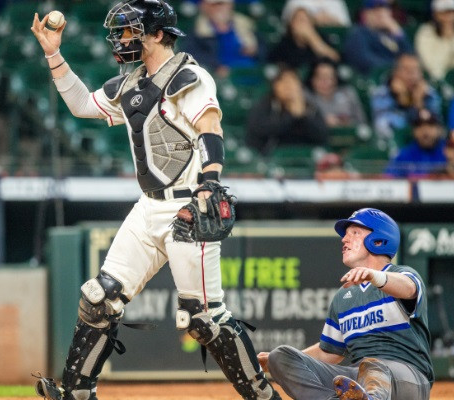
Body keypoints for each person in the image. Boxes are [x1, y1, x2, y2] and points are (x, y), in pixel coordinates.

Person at [30, 2, 278, 399]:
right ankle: (76, 394)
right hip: (147, 206)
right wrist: (53, 54)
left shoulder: (188, 76)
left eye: (130, 31)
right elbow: (81, 105)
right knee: (100, 299)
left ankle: (264, 396)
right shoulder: (130, 83)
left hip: (188, 206)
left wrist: (210, 182)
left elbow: (210, 126)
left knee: (204, 319)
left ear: (158, 34)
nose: (121, 39)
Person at [258, 208, 434, 399]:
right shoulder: (343, 296)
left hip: (408, 378)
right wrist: (277, 361)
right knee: (281, 355)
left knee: (372, 366)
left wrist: (374, 276)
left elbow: (409, 288)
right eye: (345, 234)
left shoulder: (401, 275)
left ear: (378, 241)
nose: (344, 239)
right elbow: (328, 353)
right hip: (359, 376)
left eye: (355, 233)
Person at [245, 66, 328, 156]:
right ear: (275, 86)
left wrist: (304, 116)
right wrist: (291, 116)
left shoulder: (311, 108)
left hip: (306, 156)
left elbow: (322, 136)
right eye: (283, 81)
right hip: (271, 157)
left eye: (292, 81)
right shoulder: (264, 106)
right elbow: (259, 131)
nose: (288, 86)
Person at [371, 53, 442, 140]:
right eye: (406, 70)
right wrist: (404, 101)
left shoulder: (428, 92)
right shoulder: (382, 93)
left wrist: (419, 104)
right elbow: (384, 129)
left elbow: (437, 127)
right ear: (395, 73)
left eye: (415, 70)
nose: (412, 75)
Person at [183, 0, 260, 77]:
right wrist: (216, 66)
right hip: (218, 75)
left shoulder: (245, 24)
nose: (220, 8)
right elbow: (191, 54)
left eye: (223, 4)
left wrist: (254, 50)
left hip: (249, 71)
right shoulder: (197, 30)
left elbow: (263, 50)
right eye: (215, 5)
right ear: (205, 7)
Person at [414, 0, 454, 81]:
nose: (449, 18)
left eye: (453, 13)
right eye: (445, 13)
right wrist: (446, 39)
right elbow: (433, 68)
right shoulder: (425, 33)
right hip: (437, 82)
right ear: (435, 14)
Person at [343, 0, 412, 75]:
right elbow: (365, 61)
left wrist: (399, 34)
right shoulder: (358, 33)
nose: (381, 13)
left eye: (384, 9)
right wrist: (398, 68)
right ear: (365, 14)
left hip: (399, 76)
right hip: (374, 78)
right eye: (375, 11)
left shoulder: (394, 35)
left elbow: (411, 58)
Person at [268, 5, 340, 69]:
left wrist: (312, 38)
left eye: (304, 20)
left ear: (312, 24)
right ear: (291, 24)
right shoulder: (284, 44)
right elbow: (275, 63)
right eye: (298, 20)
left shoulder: (321, 38)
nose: (302, 25)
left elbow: (335, 59)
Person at [384, 108, 447, 178]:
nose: (425, 131)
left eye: (430, 125)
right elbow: (388, 179)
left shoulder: (449, 152)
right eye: (419, 126)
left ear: (439, 129)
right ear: (413, 131)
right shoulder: (404, 156)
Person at [306, 58, 367, 128]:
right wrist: (322, 121)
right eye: (321, 78)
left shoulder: (347, 93)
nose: (325, 82)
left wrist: (346, 123)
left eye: (330, 78)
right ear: (312, 79)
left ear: (336, 79)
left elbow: (362, 122)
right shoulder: (306, 97)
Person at [283, 0, 352, 27]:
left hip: (333, 43)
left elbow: (347, 27)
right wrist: (314, 20)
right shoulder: (295, 2)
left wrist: (331, 20)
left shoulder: (337, 2)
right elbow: (289, 26)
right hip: (301, 47)